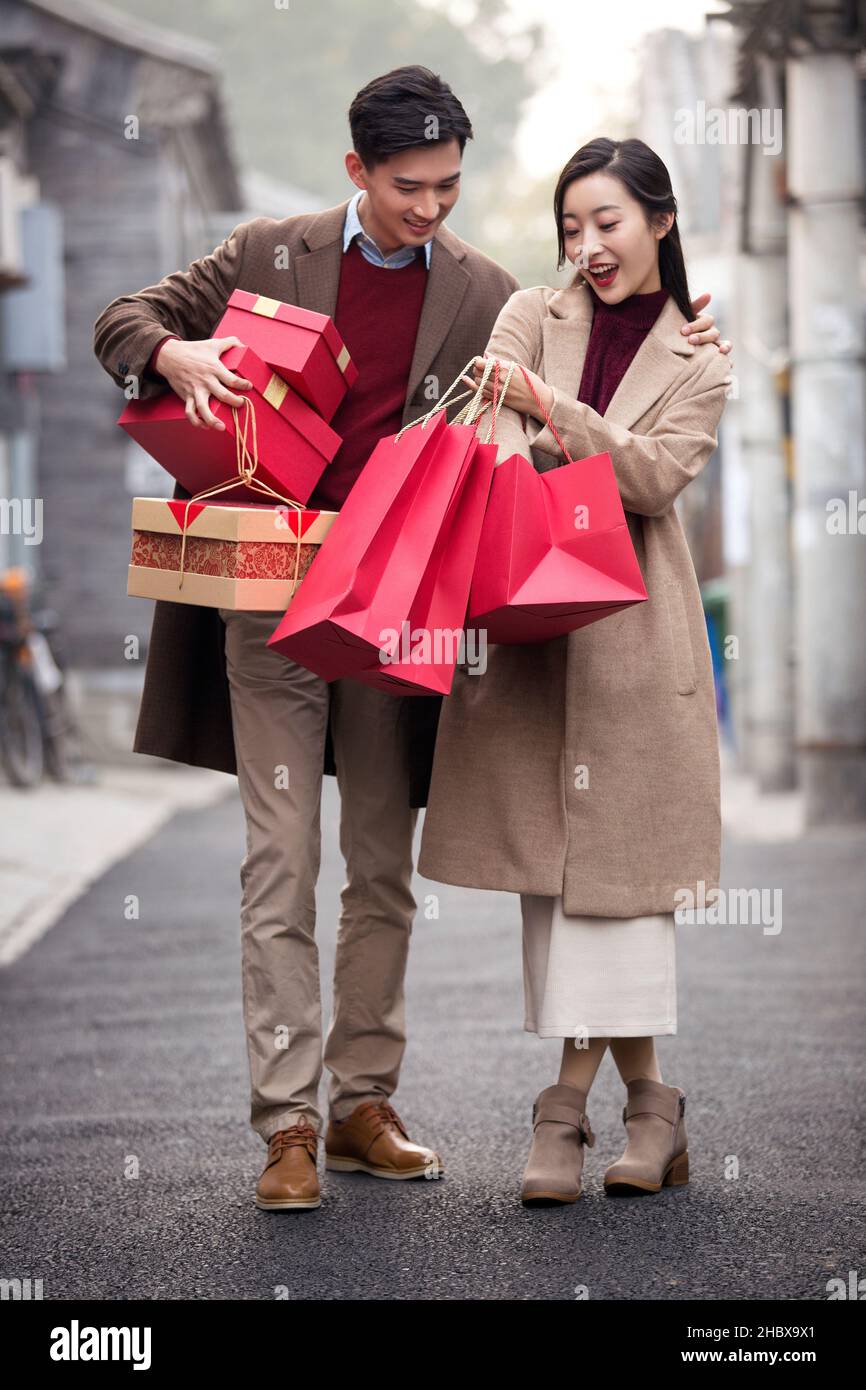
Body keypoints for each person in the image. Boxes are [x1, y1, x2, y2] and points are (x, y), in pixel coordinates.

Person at [94, 70, 727, 1213]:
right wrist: (174, 356)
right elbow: (122, 319)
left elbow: (565, 363)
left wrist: (678, 317)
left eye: (446, 187)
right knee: (281, 861)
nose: (430, 208)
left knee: (380, 868)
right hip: (268, 604)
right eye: (406, 189)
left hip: (393, 610)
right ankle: (285, 1121)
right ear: (355, 174)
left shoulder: (481, 288)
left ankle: (360, 1101)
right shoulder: (265, 250)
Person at [417, 137, 734, 1206]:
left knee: (622, 886)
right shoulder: (526, 320)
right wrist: (543, 421)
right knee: (566, 889)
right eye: (569, 228)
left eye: (607, 222)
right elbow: (497, 447)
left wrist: (555, 413)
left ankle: (562, 1112)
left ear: (659, 222)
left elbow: (648, 478)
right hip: (534, 631)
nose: (587, 247)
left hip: (636, 644)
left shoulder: (701, 357)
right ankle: (655, 1107)